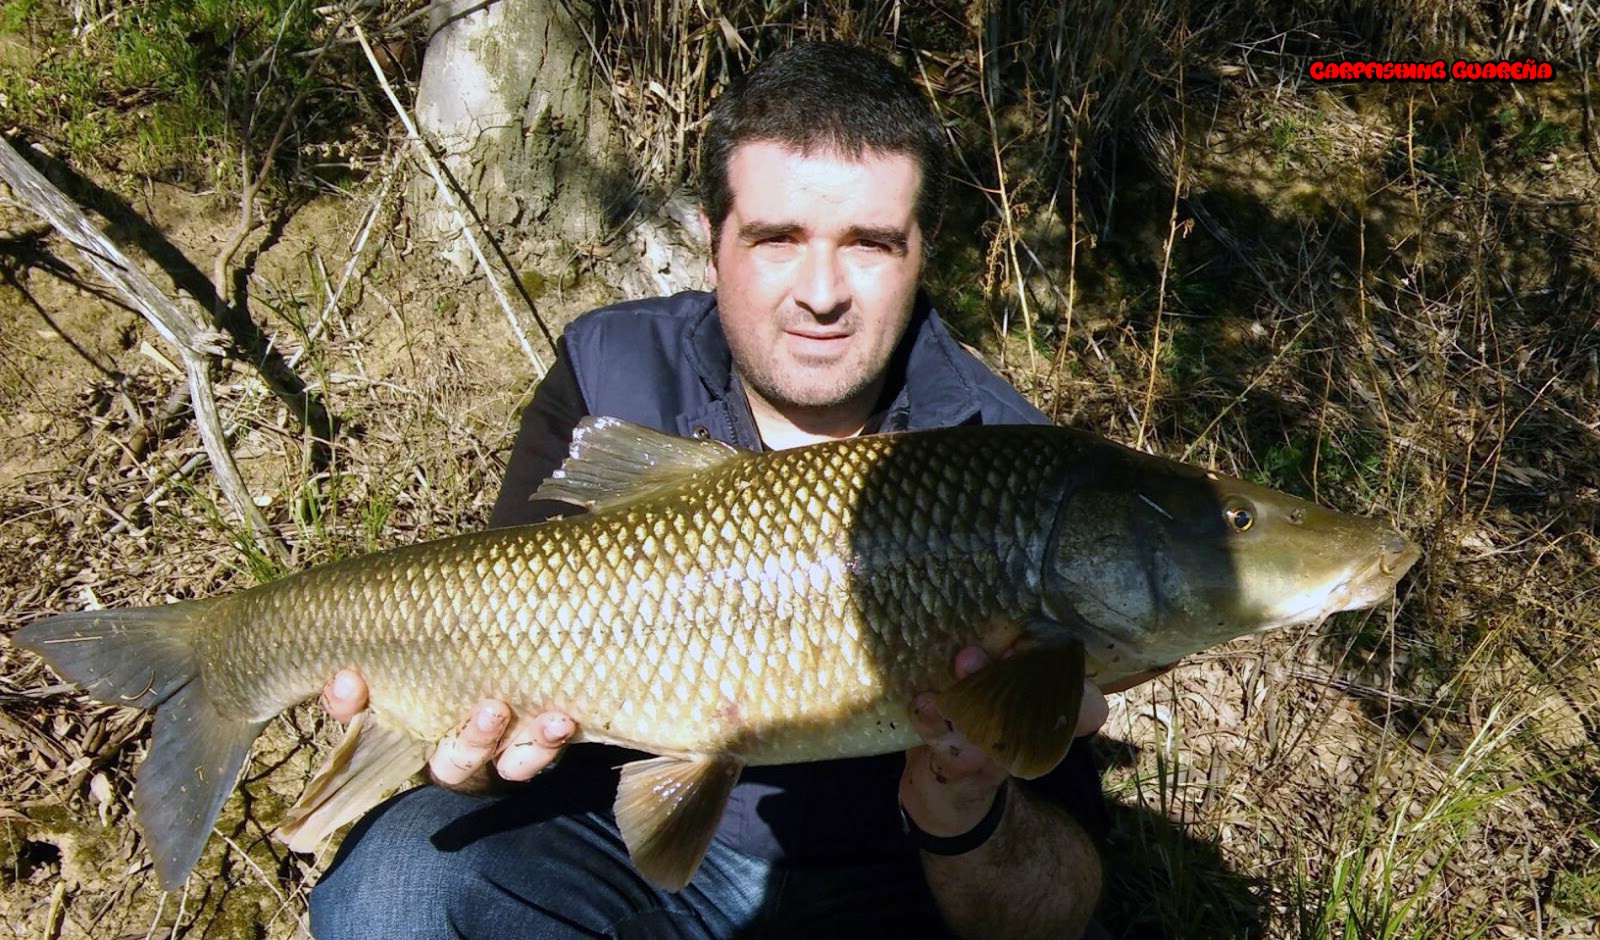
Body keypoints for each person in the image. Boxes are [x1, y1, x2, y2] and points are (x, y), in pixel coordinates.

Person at [309, 41, 1110, 939]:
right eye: (776, 239)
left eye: (871, 246)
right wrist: (478, 754)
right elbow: (502, 691)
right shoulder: (608, 368)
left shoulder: (1017, 467)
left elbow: (1057, 907)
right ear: (709, 235)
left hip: (898, 873)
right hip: (621, 850)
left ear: (922, 251)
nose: (821, 294)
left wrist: (969, 813)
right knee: (400, 888)